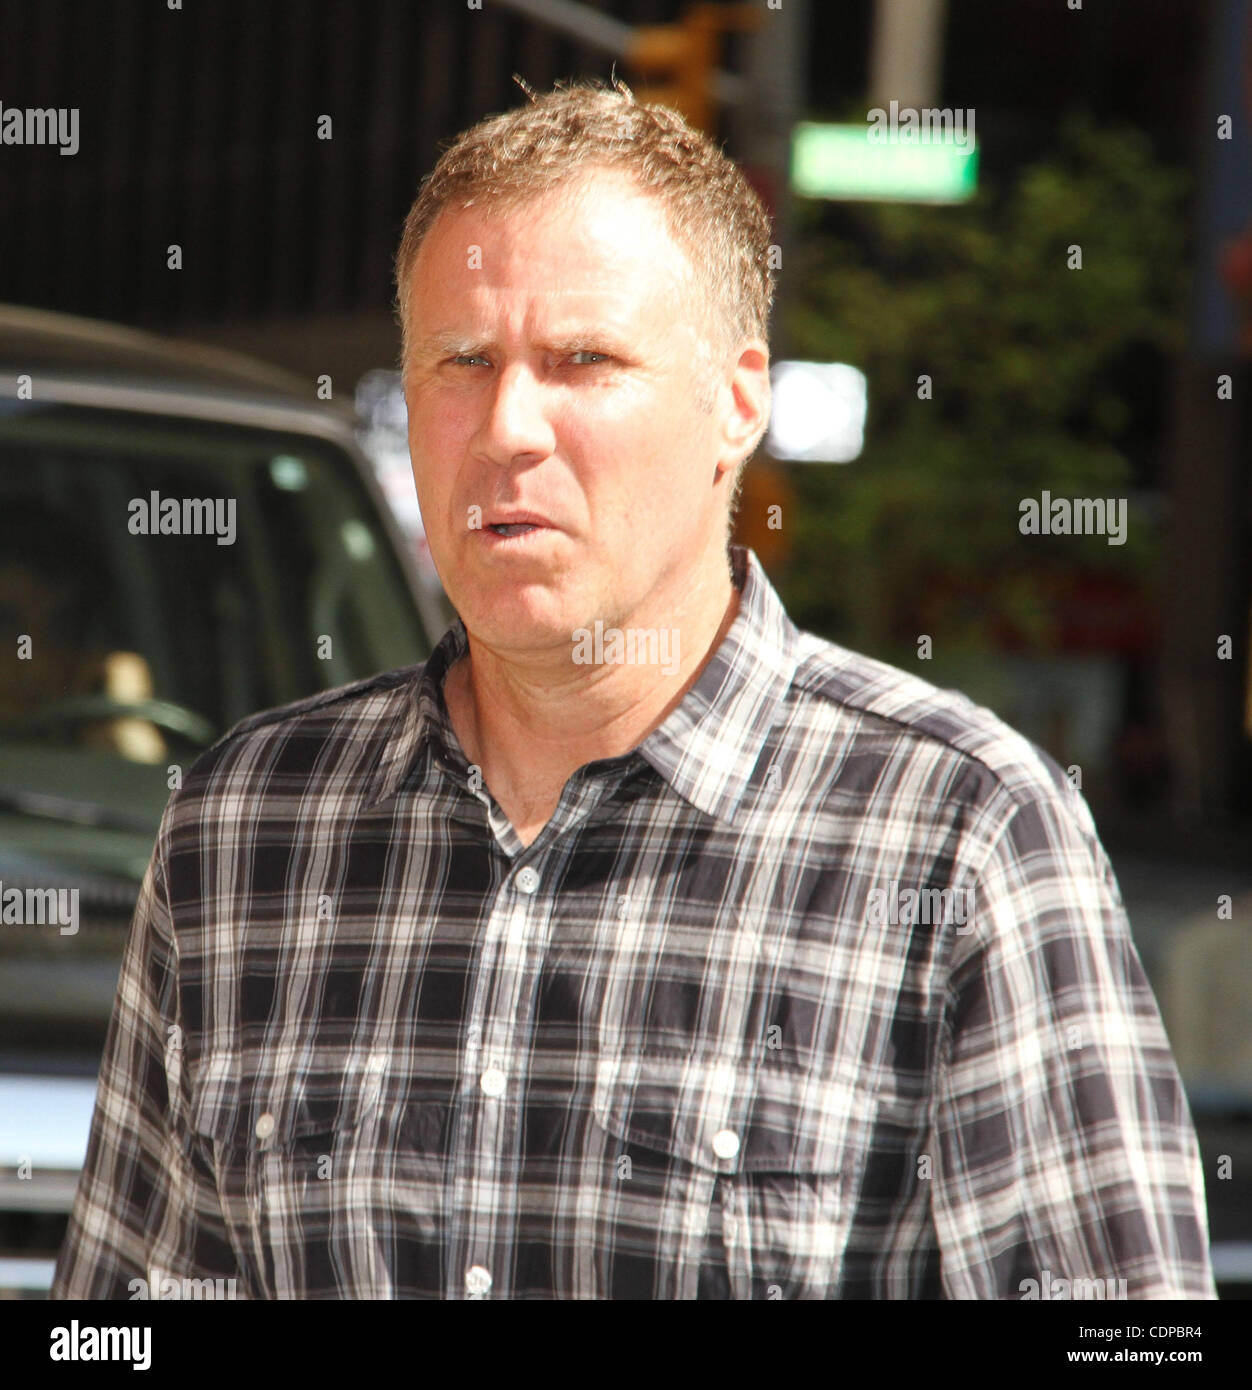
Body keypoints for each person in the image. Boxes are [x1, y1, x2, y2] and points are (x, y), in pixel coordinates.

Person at [52, 79, 1216, 1300]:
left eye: (582, 360)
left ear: (737, 401)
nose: (508, 425)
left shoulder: (959, 831)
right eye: (461, 360)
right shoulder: (241, 826)